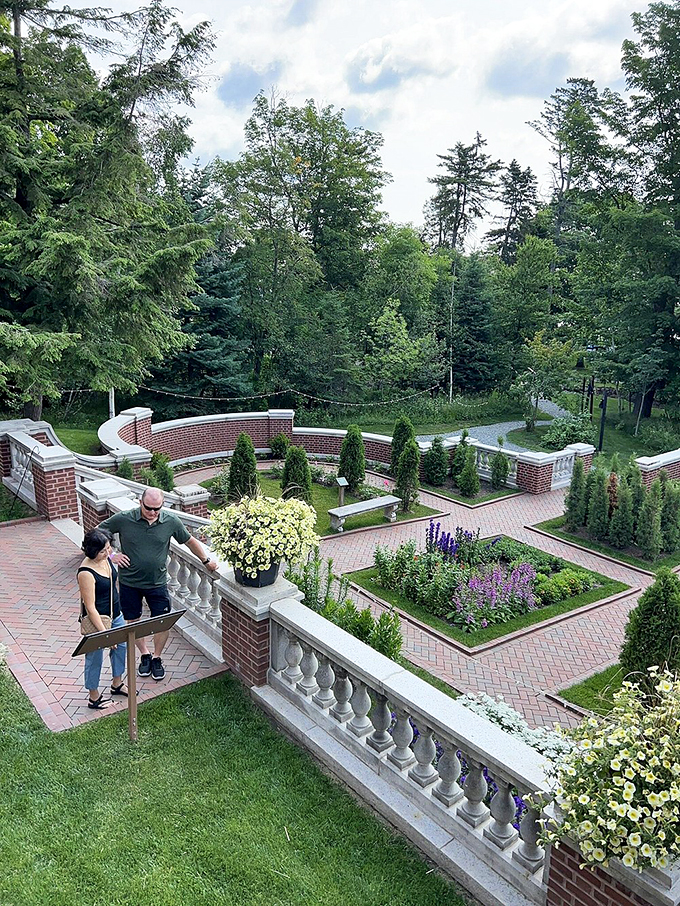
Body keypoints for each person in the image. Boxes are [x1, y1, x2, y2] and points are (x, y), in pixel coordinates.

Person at [99, 487, 218, 681]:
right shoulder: (124, 519)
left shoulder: (170, 521)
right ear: (140, 503)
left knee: (162, 622)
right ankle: (145, 654)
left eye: (157, 508)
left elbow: (189, 541)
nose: (153, 512)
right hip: (130, 582)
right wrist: (112, 555)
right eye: (148, 508)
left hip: (158, 583)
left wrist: (206, 561)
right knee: (133, 620)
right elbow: (98, 533)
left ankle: (157, 657)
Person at [78, 528, 127, 710]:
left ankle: (117, 683)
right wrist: (104, 633)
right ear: (93, 552)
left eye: (108, 548)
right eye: (104, 551)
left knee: (121, 647)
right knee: (94, 657)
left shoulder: (105, 556)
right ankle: (94, 697)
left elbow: (110, 555)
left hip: (116, 614)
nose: (108, 552)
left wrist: (113, 555)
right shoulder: (86, 572)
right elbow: (90, 607)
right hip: (98, 620)